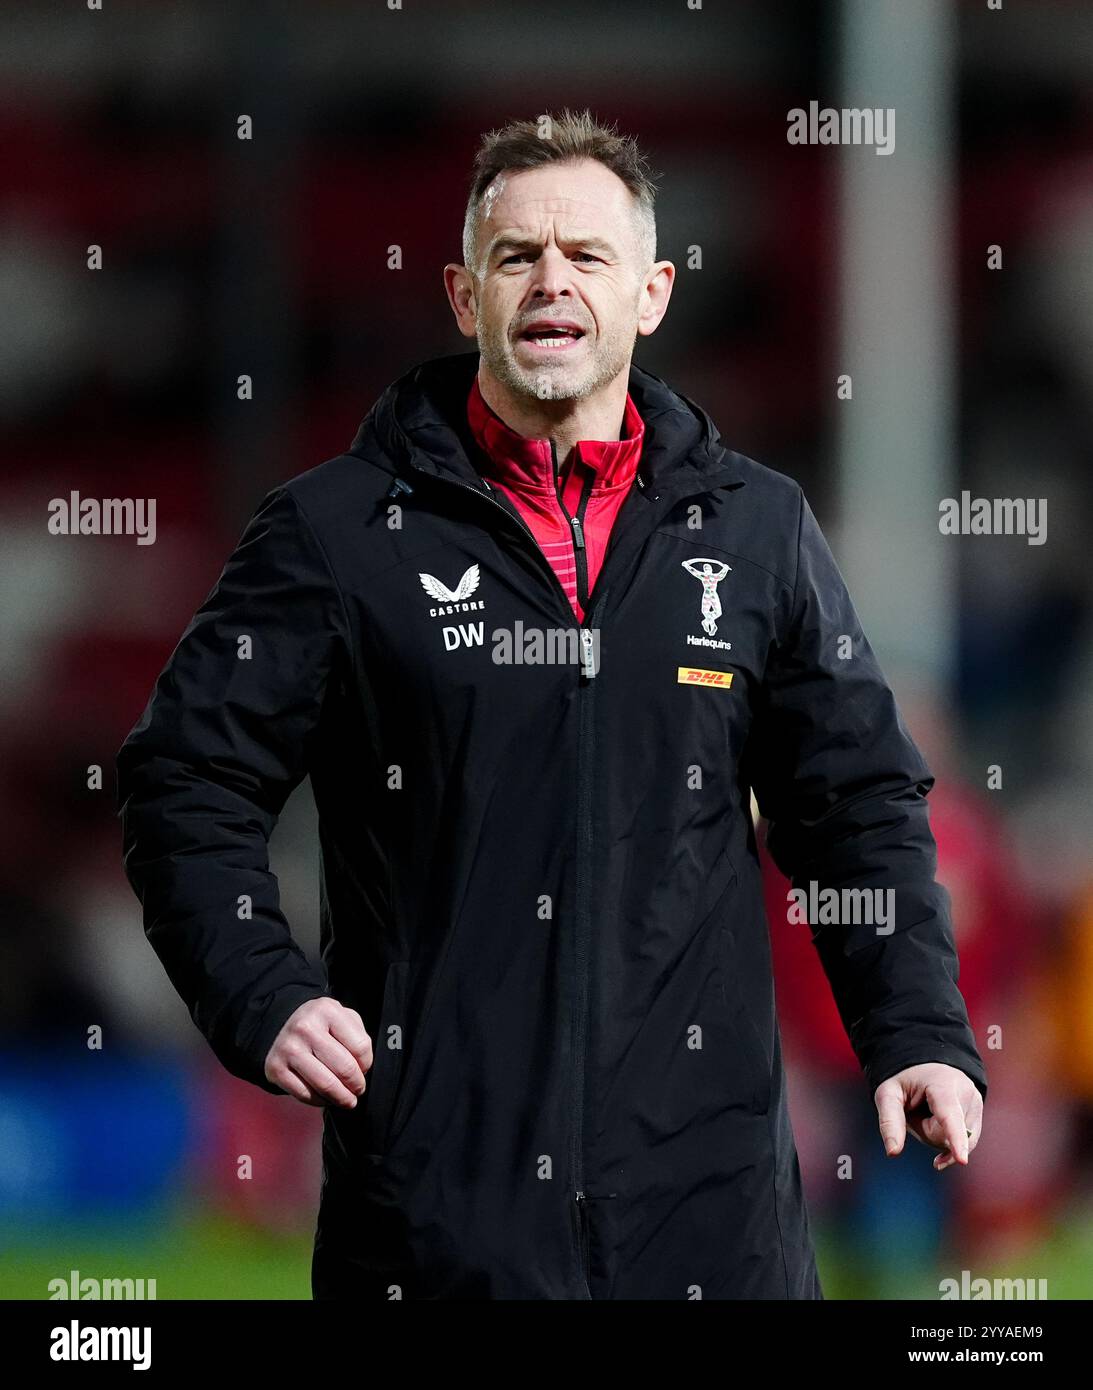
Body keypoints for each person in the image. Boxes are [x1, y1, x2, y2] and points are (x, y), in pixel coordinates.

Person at [116, 109, 986, 1300]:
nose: (550, 282)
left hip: (711, 1226)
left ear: (652, 294)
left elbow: (856, 804)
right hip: (435, 1219)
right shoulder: (334, 534)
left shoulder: (756, 528)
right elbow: (183, 781)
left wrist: (920, 1031)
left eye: (586, 256)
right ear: (464, 298)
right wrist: (260, 988)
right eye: (516, 256)